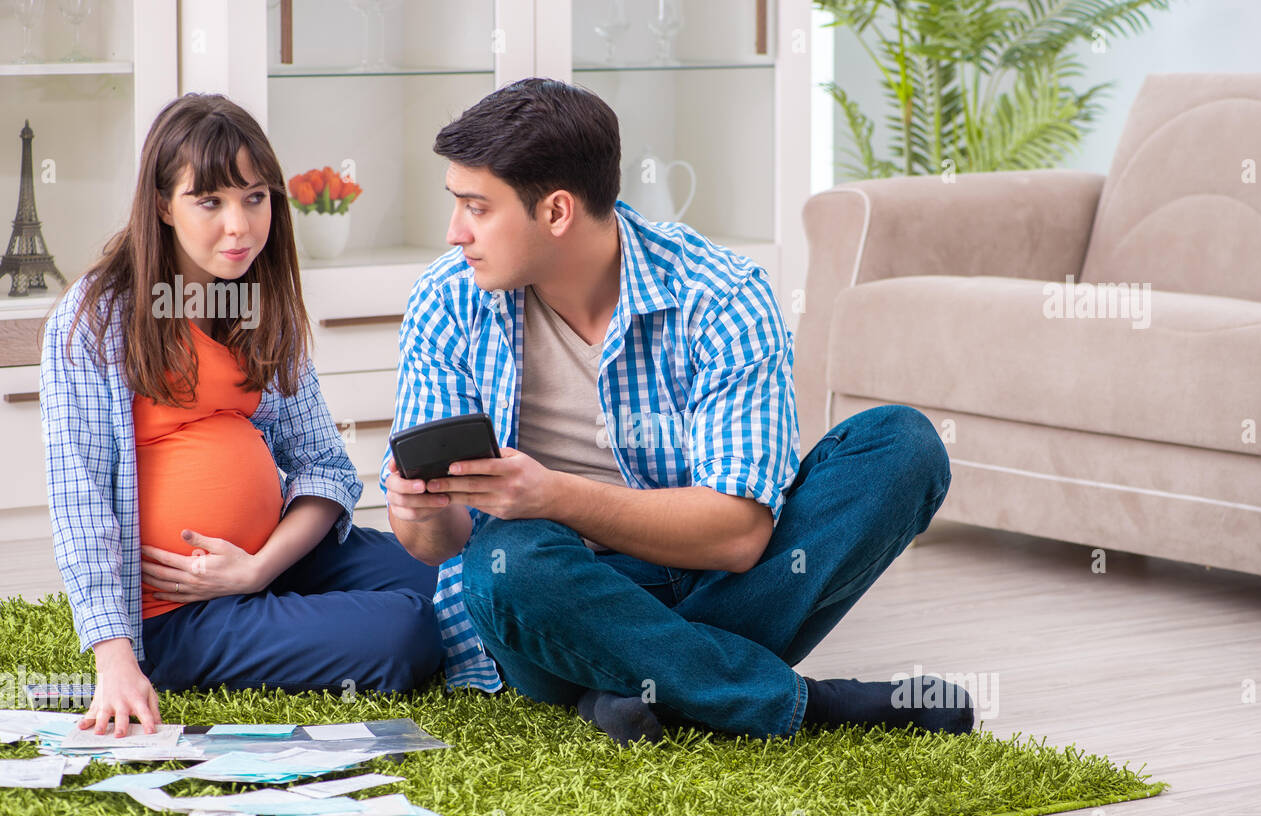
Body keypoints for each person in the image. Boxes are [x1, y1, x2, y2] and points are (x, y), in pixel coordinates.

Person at [382, 78, 973, 745]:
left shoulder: (720, 293)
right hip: (555, 593)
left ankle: (620, 687)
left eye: (476, 207)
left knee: (903, 445)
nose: (454, 231)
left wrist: (552, 494)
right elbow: (442, 547)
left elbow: (739, 535)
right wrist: (417, 511)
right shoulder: (446, 300)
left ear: (555, 212)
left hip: (713, 572)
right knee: (505, 563)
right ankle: (805, 703)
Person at [41, 93, 443, 738]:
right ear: (161, 207)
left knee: (458, 570)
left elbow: (324, 466)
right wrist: (115, 659)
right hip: (174, 611)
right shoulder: (95, 319)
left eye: (255, 198)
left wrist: (257, 569)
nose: (240, 226)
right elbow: (79, 497)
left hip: (271, 561)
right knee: (406, 632)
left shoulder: (255, 301)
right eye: (210, 201)